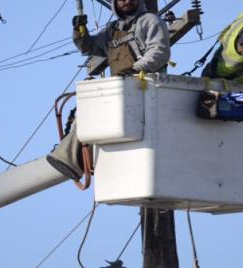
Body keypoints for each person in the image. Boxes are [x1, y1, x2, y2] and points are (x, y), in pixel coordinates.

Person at [48, 0, 172, 181]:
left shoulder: (150, 21)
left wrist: (136, 69)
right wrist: (80, 30)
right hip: (121, 89)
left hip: (145, 88)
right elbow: (88, 47)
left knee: (96, 112)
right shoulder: (112, 30)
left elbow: (159, 52)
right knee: (87, 114)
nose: (127, 1)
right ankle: (73, 159)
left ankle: (71, 159)